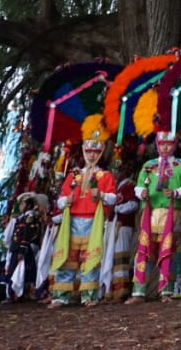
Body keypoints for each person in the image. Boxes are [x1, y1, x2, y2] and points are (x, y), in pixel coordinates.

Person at [49, 122, 118, 307]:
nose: (92, 155)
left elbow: (113, 199)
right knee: (68, 258)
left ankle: (89, 295)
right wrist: (67, 200)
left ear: (101, 152)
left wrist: (101, 195)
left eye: (95, 152)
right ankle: (60, 296)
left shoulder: (105, 176)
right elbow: (60, 200)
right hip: (73, 221)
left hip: (93, 223)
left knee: (91, 259)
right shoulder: (74, 175)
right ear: (84, 151)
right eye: (89, 152)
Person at [128, 130, 181, 303]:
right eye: (161, 144)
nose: (164, 147)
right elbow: (139, 186)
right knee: (145, 250)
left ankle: (167, 291)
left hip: (173, 212)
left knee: (170, 251)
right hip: (151, 213)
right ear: (157, 144)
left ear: (174, 145)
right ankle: (138, 291)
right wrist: (142, 194)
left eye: (168, 144)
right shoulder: (149, 165)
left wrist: (176, 192)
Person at [105, 161, 141, 301]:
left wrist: (117, 209)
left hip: (123, 224)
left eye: (118, 170)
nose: (116, 173)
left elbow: (133, 205)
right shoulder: (115, 187)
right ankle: (110, 290)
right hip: (112, 224)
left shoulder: (129, 185)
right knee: (111, 256)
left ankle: (122, 289)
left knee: (121, 255)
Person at [5, 192, 45, 301]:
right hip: (16, 247)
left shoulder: (30, 217)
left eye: (23, 204)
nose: (20, 207)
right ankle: (14, 295)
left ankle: (20, 295)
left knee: (23, 271)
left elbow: (26, 234)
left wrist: (22, 250)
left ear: (28, 206)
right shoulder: (22, 217)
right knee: (14, 271)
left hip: (23, 248)